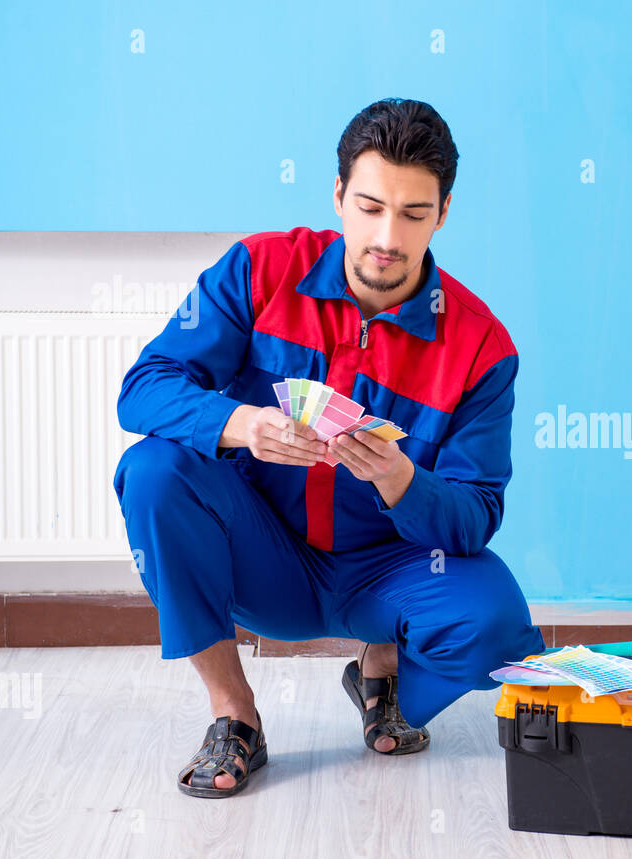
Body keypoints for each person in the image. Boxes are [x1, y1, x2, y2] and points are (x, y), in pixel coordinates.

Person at [112, 97, 547, 798]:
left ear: (443, 214)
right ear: (338, 195)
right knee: (154, 470)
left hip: (390, 571)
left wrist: (405, 479)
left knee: (498, 624)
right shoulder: (259, 268)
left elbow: (475, 515)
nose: (387, 235)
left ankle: (384, 667)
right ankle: (234, 714)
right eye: (370, 206)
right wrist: (240, 423)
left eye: (413, 213)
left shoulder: (481, 347)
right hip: (267, 556)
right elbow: (145, 389)